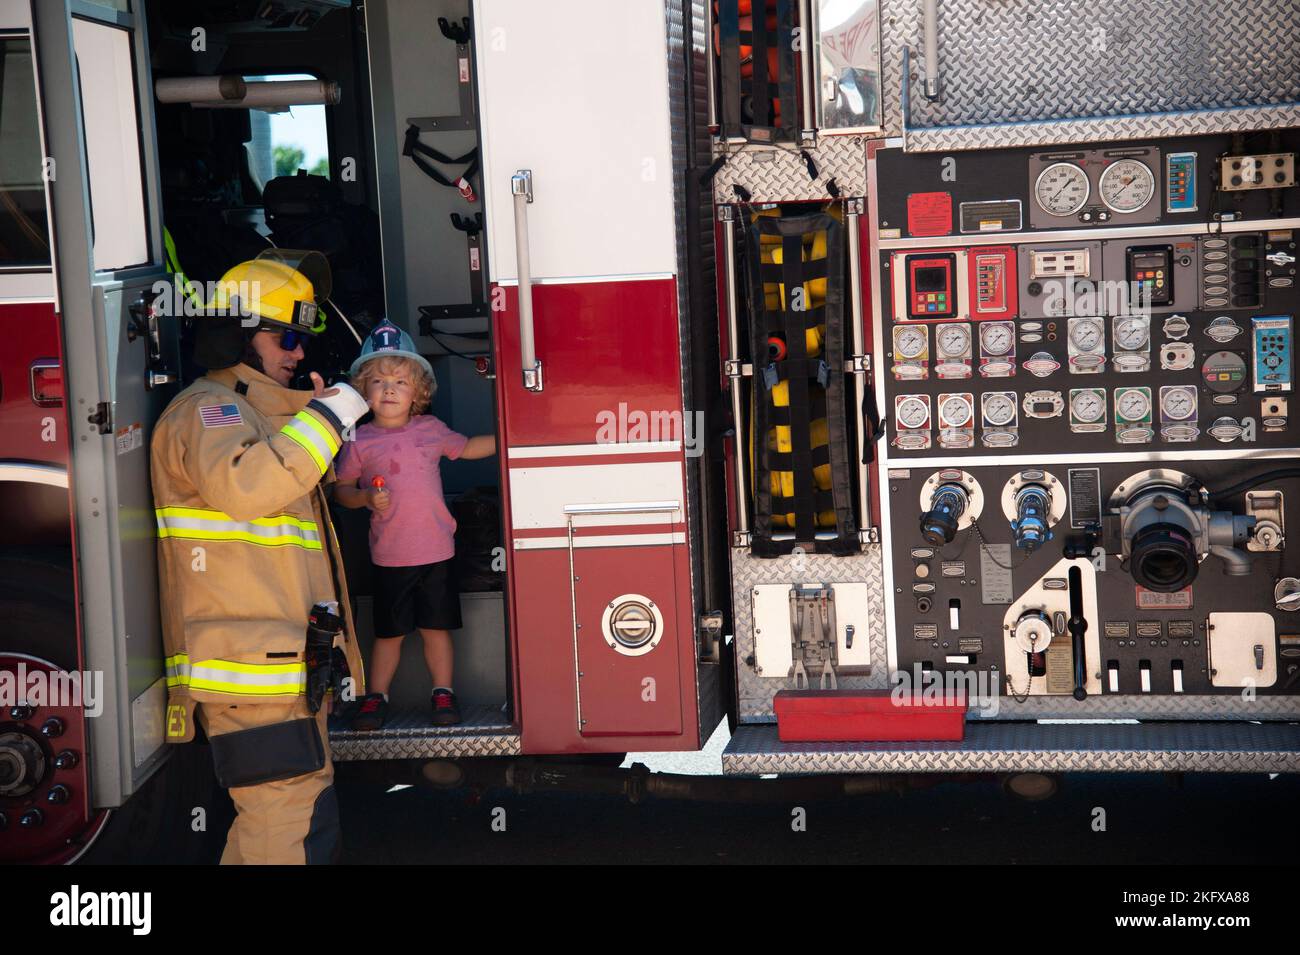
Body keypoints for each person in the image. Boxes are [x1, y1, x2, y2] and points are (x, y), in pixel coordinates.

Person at [150, 249, 370, 864]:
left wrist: (316, 411)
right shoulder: (205, 410)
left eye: (303, 339)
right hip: (253, 670)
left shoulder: (247, 412)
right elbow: (246, 487)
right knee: (289, 822)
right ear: (236, 335)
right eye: (287, 336)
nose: (299, 352)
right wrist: (327, 417)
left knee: (276, 825)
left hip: (277, 666)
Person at [334, 320, 496, 730]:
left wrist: (509, 434)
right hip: (390, 556)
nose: (389, 389)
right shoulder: (358, 441)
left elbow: (469, 448)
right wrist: (367, 498)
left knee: (436, 629)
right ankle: (377, 697)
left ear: (418, 392)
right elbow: (342, 491)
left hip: (437, 553)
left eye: (400, 381)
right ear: (364, 391)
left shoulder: (430, 430)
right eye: (379, 381)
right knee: (389, 635)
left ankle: (443, 693)